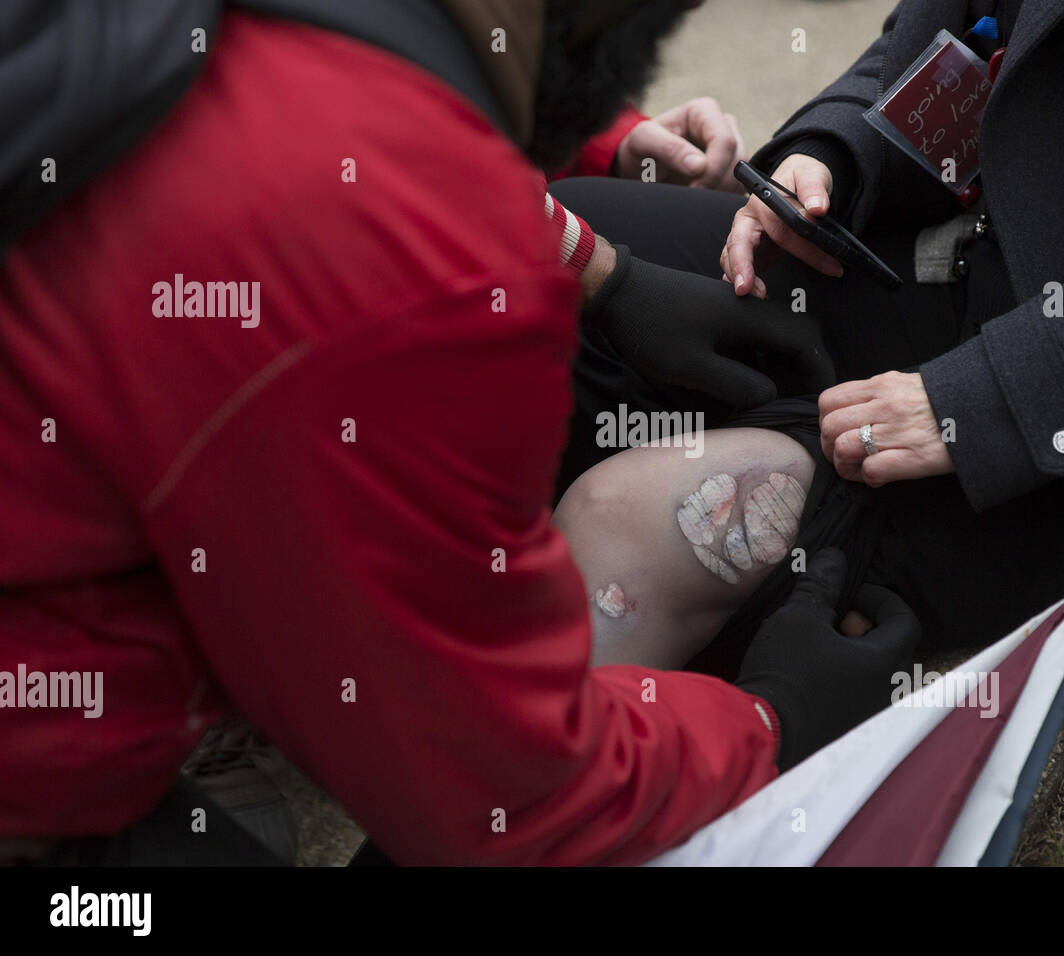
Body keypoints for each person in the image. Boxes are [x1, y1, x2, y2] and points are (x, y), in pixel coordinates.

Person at [0, 0, 919, 866]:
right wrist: (771, 724)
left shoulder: (236, 82)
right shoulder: (396, 252)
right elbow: (504, 797)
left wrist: (598, 267)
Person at [550, 0, 1064, 725]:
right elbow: (941, 43)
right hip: (972, 289)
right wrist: (832, 153)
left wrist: (989, 398)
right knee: (573, 272)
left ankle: (569, 793)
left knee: (639, 525)